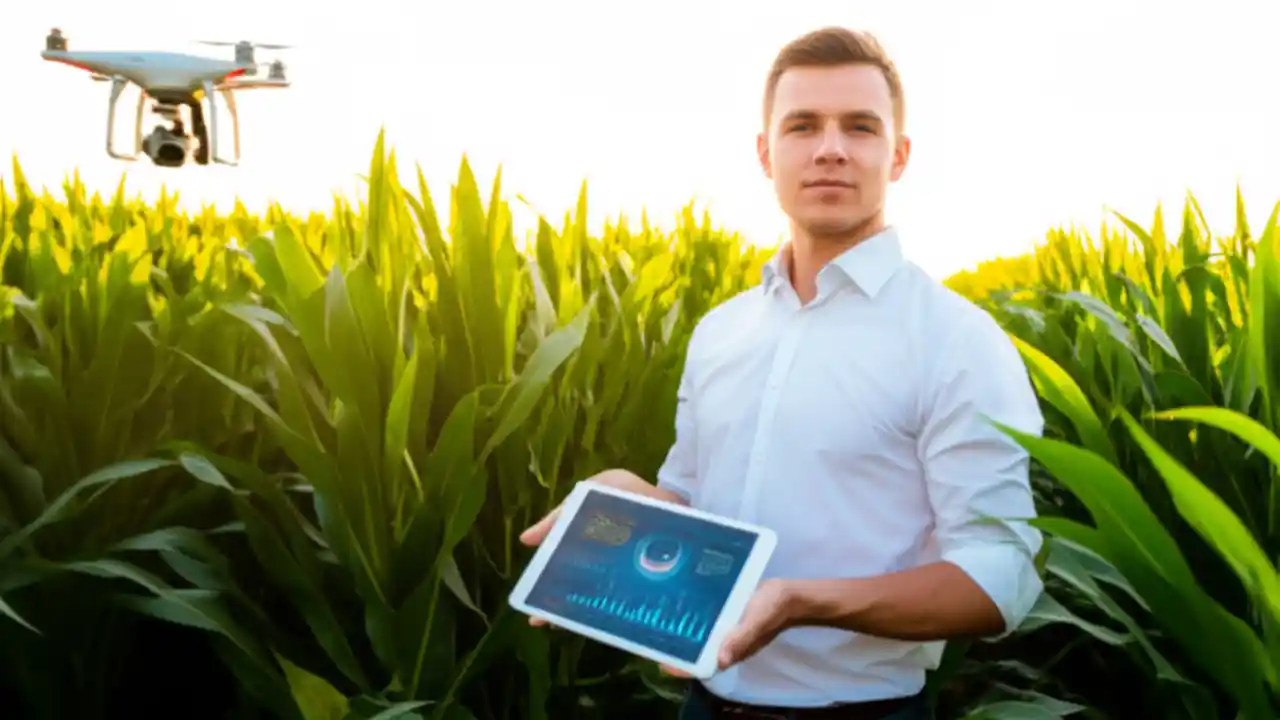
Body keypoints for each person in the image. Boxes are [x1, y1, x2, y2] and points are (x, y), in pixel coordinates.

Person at [520, 25, 1044, 720]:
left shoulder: (958, 341)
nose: (831, 148)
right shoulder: (722, 331)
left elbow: (997, 577)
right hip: (703, 703)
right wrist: (631, 497)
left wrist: (801, 602)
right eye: (803, 126)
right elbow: (700, 502)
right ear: (767, 153)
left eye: (860, 126)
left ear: (900, 156)